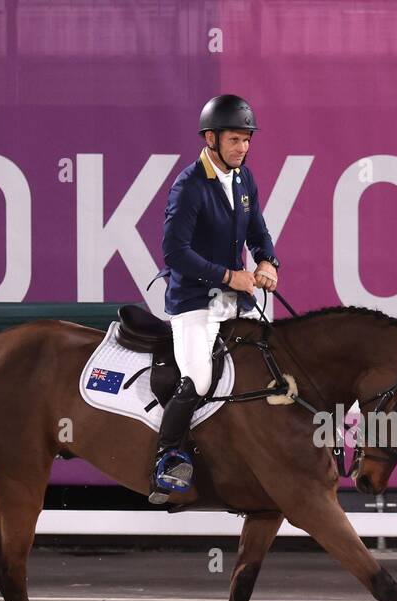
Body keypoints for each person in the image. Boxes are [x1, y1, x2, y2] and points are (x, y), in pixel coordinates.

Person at [152, 93, 281, 502]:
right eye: (234, 140)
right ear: (211, 138)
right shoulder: (188, 185)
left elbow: (258, 231)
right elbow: (175, 253)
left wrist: (267, 262)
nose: (242, 148)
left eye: (246, 140)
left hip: (235, 300)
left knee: (264, 368)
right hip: (193, 302)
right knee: (201, 377)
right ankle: (167, 457)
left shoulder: (244, 180)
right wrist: (230, 275)